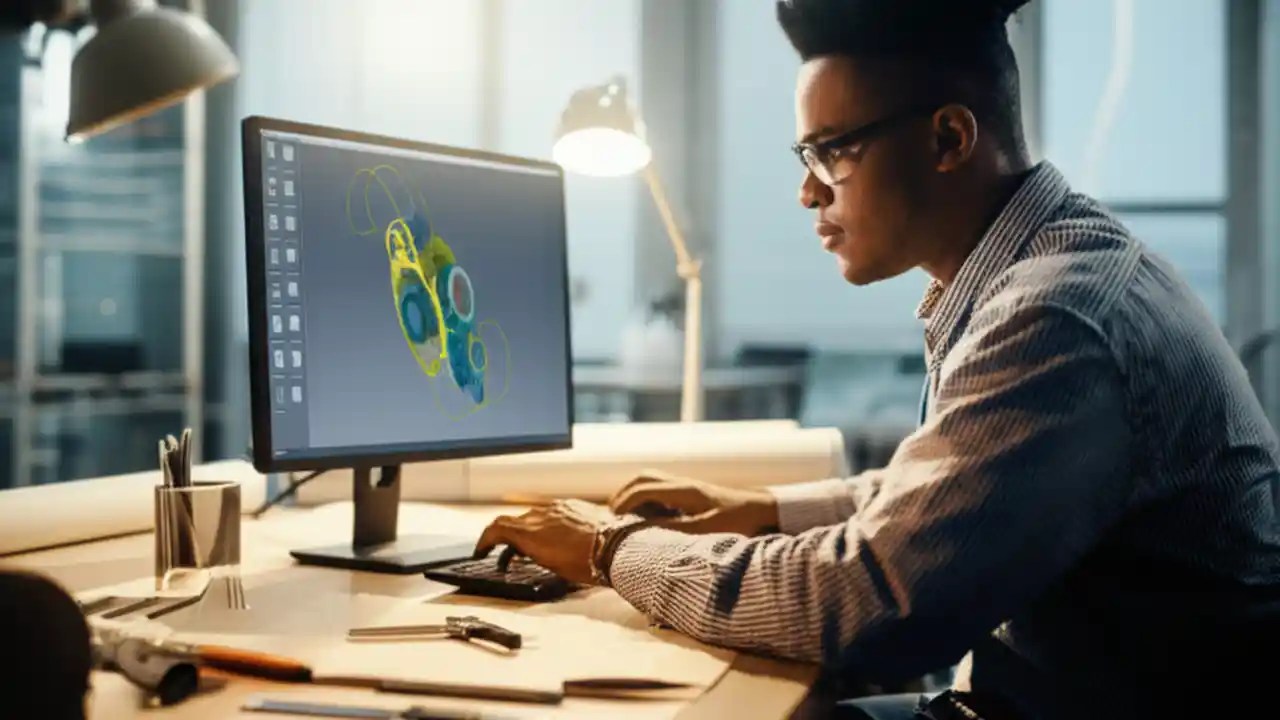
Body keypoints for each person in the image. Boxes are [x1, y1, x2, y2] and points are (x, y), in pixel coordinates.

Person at [475, 0, 1280, 717]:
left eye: (833, 152)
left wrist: (607, 549)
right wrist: (762, 509)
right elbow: (968, 492)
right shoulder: (1051, 259)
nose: (807, 193)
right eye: (806, 158)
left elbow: (873, 599)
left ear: (949, 138)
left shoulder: (1057, 313)